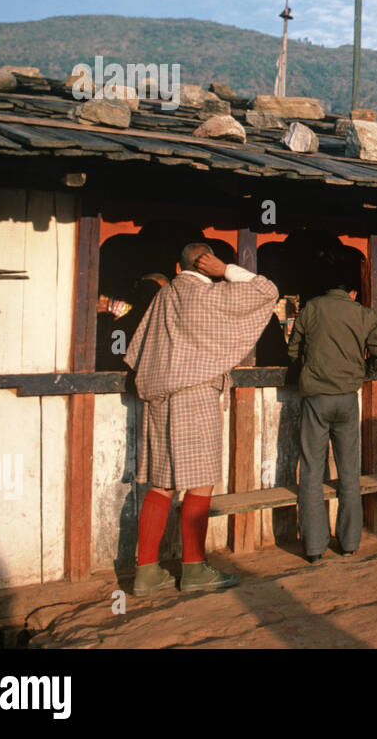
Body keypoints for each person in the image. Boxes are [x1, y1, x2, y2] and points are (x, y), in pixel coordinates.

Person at [123, 243, 279, 595]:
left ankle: (146, 573)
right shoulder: (212, 296)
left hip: (158, 396)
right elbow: (267, 290)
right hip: (195, 394)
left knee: (162, 484)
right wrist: (225, 269)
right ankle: (193, 568)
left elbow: (135, 353)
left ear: (177, 270)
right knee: (201, 482)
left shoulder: (162, 298)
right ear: (205, 267)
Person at [287, 263, 377, 563]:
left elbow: (292, 351)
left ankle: (313, 548)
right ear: (351, 292)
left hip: (315, 398)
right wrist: (368, 368)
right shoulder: (361, 313)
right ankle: (349, 542)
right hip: (347, 399)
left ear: (327, 290)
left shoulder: (310, 309)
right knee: (349, 472)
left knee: (311, 472)